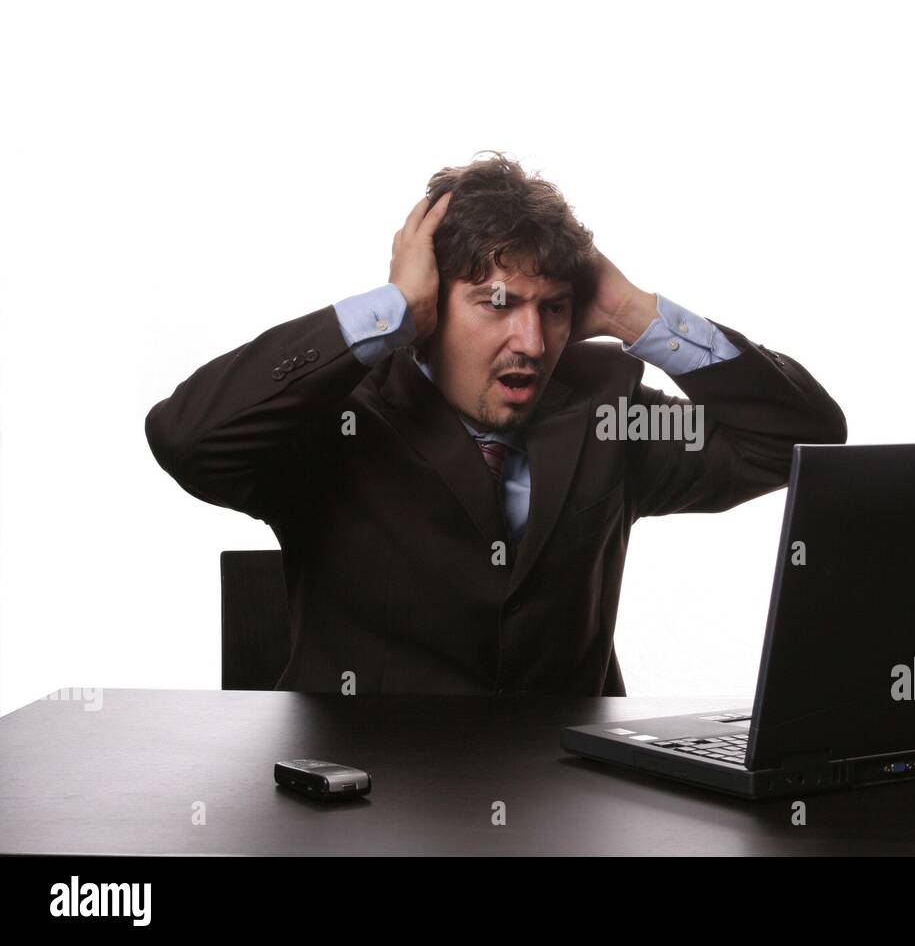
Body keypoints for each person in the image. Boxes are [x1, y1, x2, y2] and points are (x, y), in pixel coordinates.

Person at [145, 152, 847, 695]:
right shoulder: (340, 426)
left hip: (564, 809)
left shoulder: (607, 421)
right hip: (366, 805)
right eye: (497, 301)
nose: (533, 343)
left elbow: (798, 439)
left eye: (553, 307)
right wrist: (387, 309)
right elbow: (187, 436)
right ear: (430, 308)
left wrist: (635, 312)